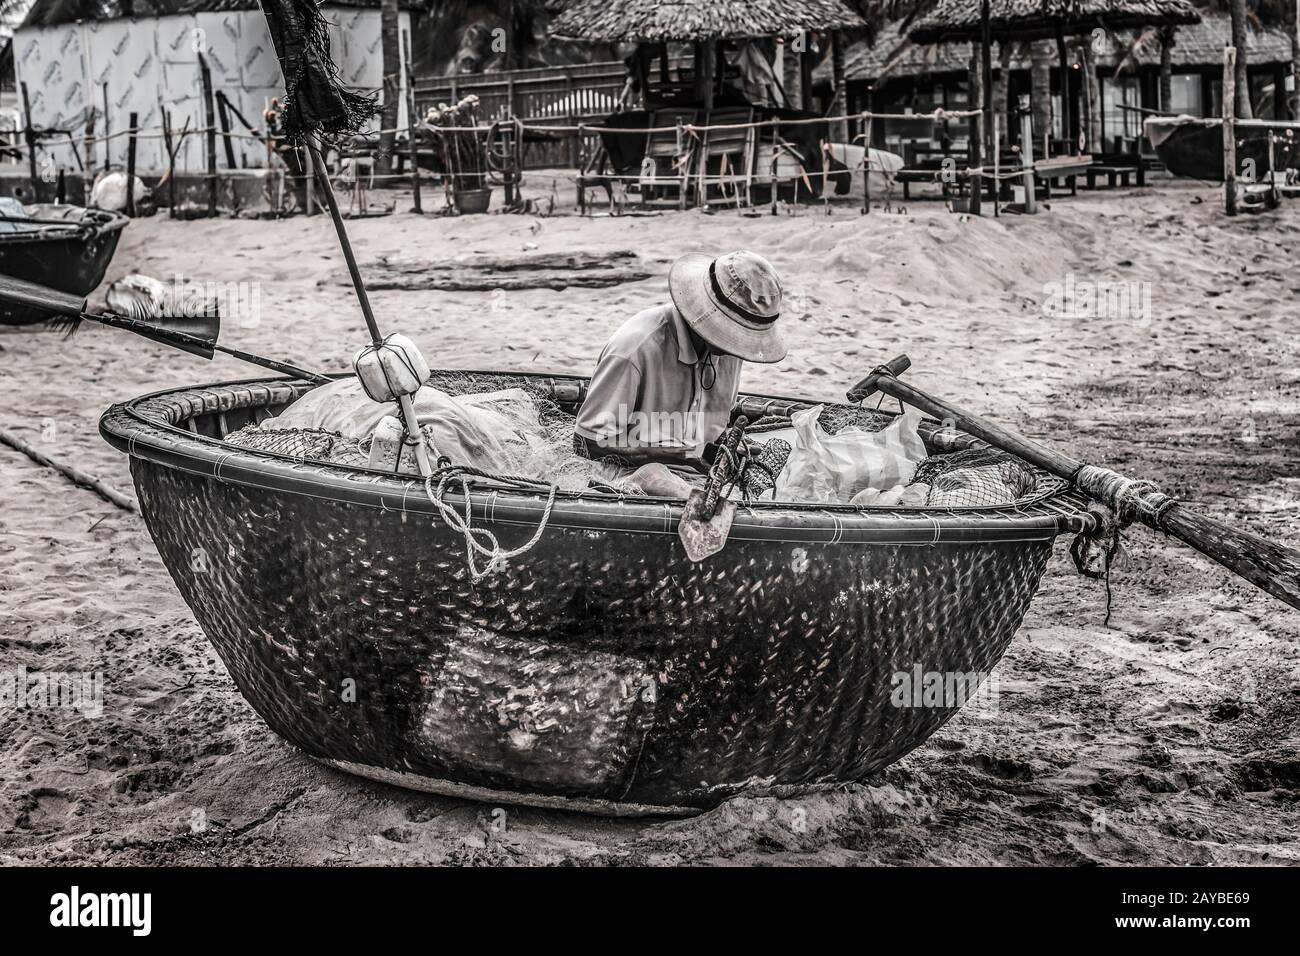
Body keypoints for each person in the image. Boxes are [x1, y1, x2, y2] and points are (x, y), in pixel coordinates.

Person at [575, 249, 786, 474]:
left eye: (742, 334)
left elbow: (710, 431)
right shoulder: (634, 348)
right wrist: (679, 455)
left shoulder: (731, 350)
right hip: (630, 478)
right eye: (733, 331)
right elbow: (586, 442)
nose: (736, 344)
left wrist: (726, 447)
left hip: (702, 476)